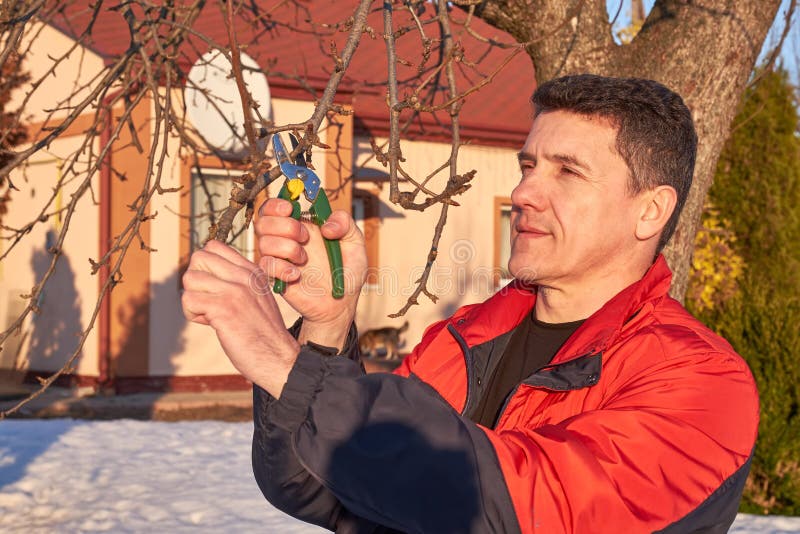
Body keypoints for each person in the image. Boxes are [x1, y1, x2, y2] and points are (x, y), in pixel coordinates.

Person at [181, 74, 759, 533]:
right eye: (529, 166)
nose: (526, 192)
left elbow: (518, 509)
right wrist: (325, 327)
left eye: (568, 172)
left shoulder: (702, 382)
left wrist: (284, 365)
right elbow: (313, 487)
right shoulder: (464, 338)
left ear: (651, 210)